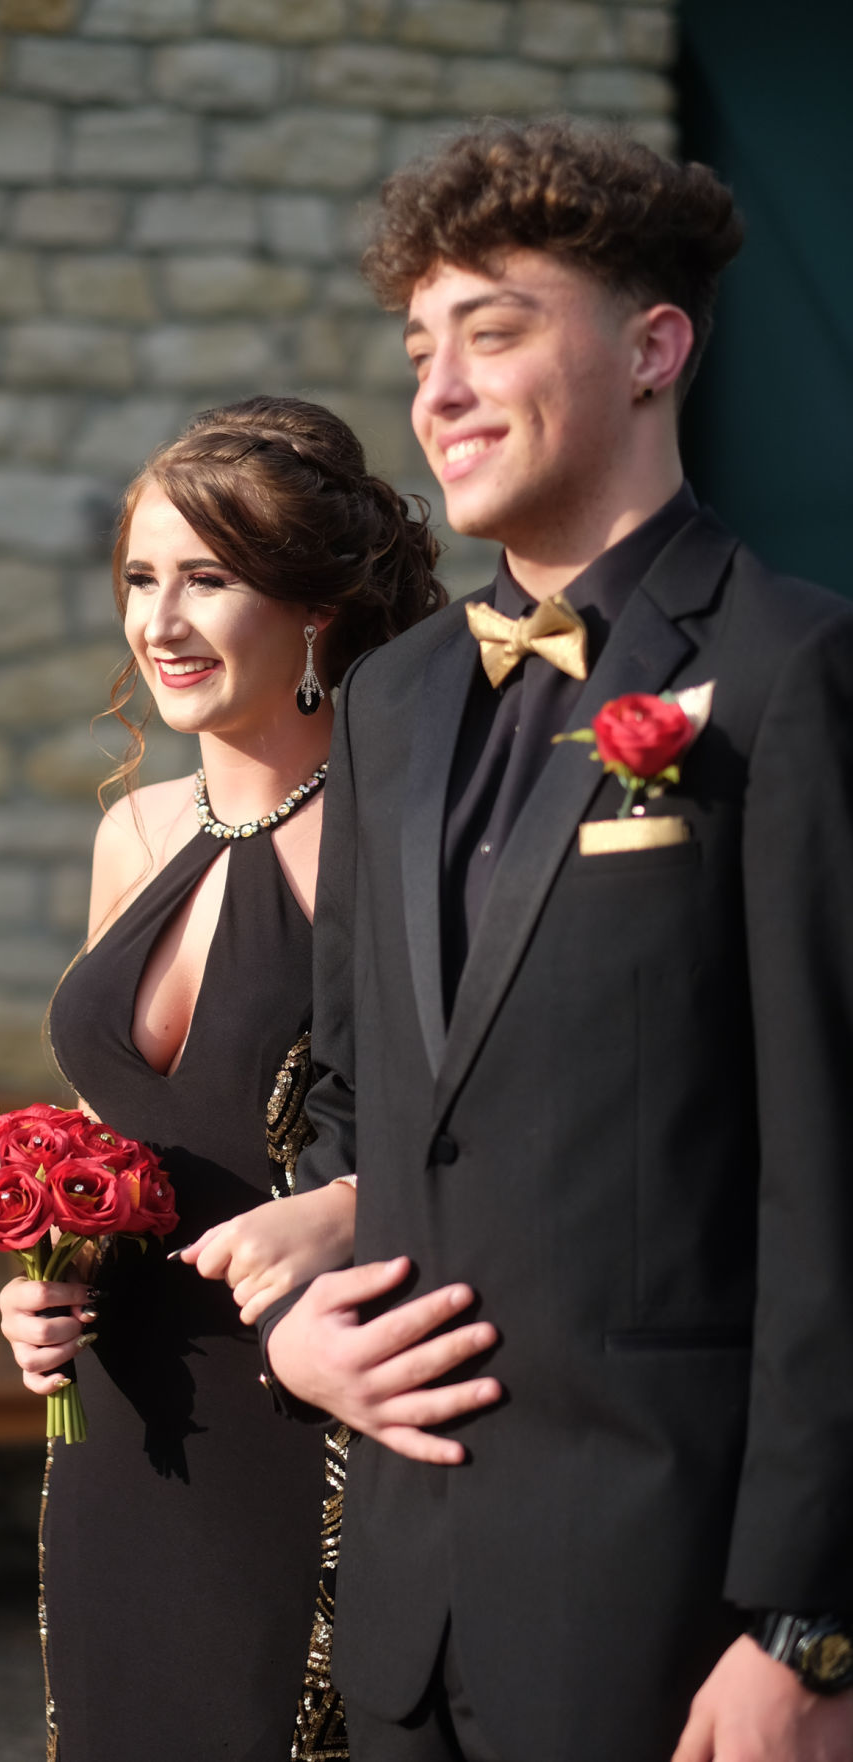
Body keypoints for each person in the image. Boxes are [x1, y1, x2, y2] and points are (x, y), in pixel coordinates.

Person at [262, 121, 853, 1762]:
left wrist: (808, 1623)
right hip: (405, 1625)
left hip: (674, 1634)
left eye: (495, 330)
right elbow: (355, 1107)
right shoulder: (388, 701)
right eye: (420, 349)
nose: (438, 389)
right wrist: (291, 1328)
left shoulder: (796, 672)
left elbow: (838, 1174)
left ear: (655, 347)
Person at [0, 396, 494, 1762]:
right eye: (143, 579)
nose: (161, 620)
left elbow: (496, 1125)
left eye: (209, 579)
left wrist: (343, 1208)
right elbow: (112, 1141)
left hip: (310, 1409)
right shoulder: (136, 828)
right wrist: (46, 1271)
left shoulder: (407, 833)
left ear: (315, 607)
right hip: (119, 1421)